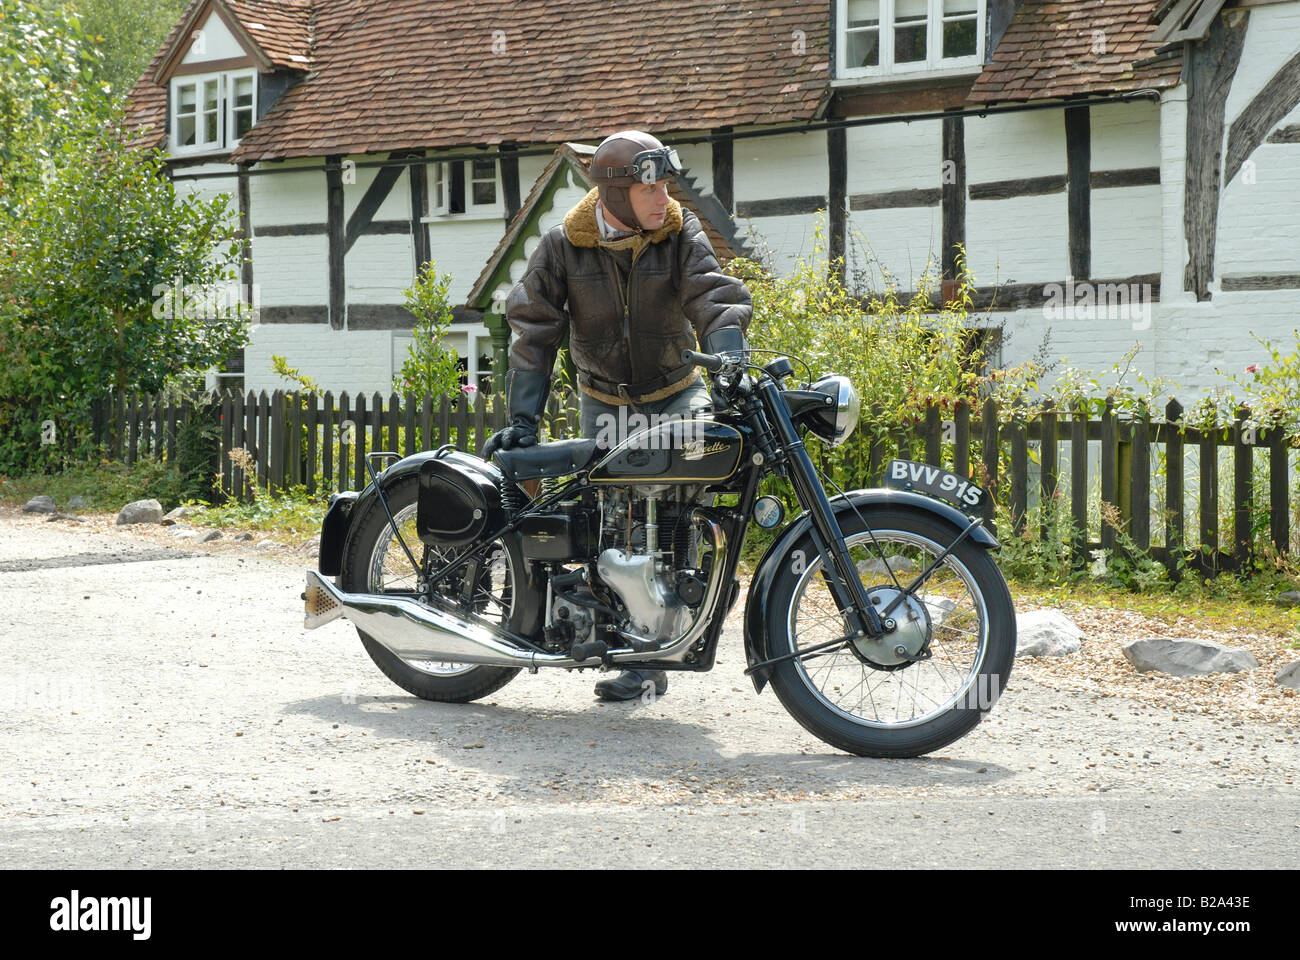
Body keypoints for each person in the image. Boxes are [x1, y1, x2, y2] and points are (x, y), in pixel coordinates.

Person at [482, 129, 752, 701]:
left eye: (665, 186)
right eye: (649, 188)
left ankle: (690, 610)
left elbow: (715, 298)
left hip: (676, 389)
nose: (664, 199)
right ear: (613, 192)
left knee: (697, 497)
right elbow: (534, 330)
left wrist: (730, 361)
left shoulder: (680, 233)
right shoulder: (563, 246)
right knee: (617, 521)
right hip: (605, 398)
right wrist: (524, 418)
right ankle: (639, 655)